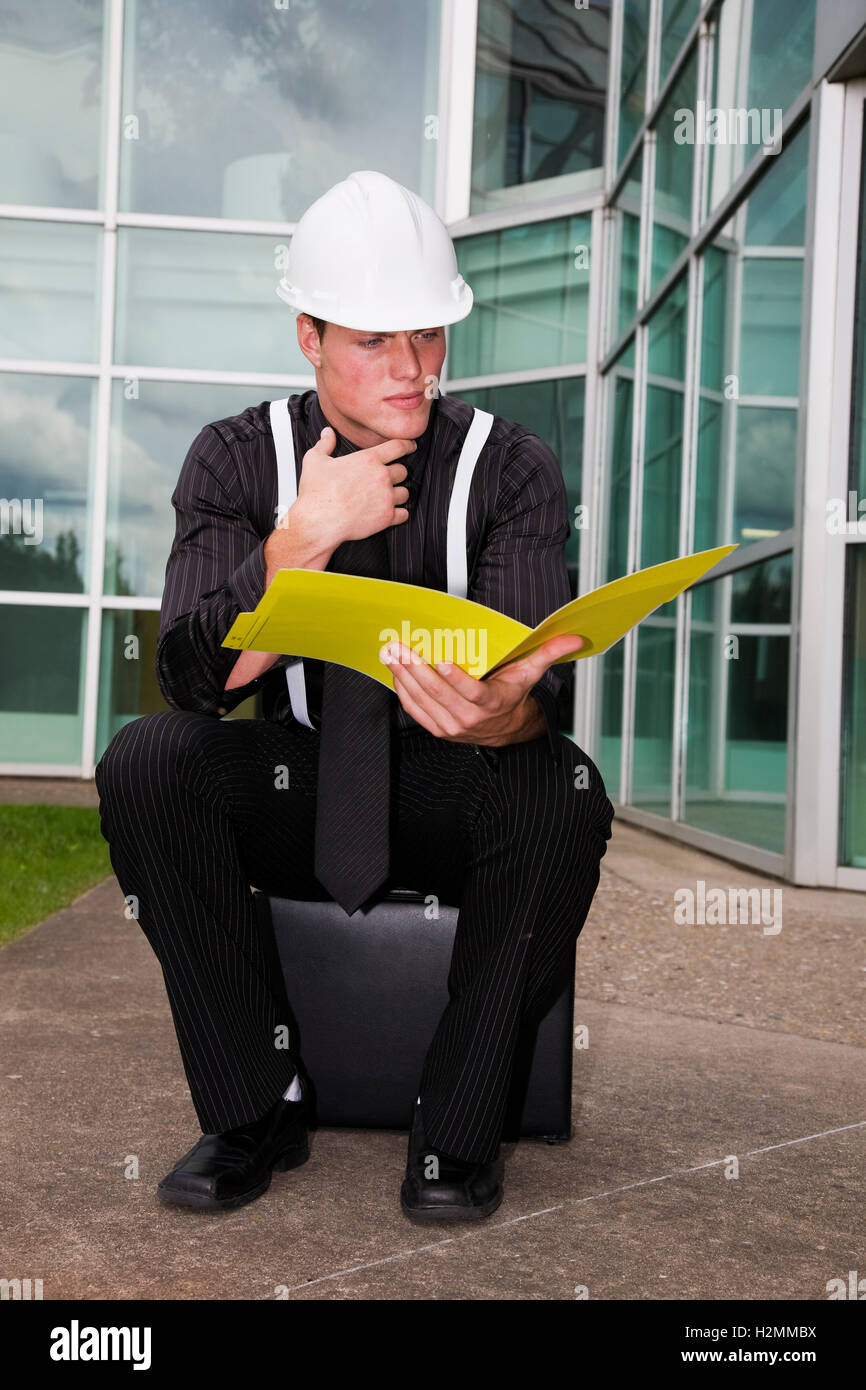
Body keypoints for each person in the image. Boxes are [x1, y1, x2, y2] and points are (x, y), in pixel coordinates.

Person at [94, 169, 614, 1224]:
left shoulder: (508, 469)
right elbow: (193, 678)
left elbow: (536, 695)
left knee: (558, 784)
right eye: (373, 341)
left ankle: (456, 1128)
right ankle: (256, 1106)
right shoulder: (235, 458)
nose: (409, 366)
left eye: (426, 335)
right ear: (308, 337)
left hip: (446, 793)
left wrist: (501, 710)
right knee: (146, 758)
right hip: (297, 782)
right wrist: (296, 543)